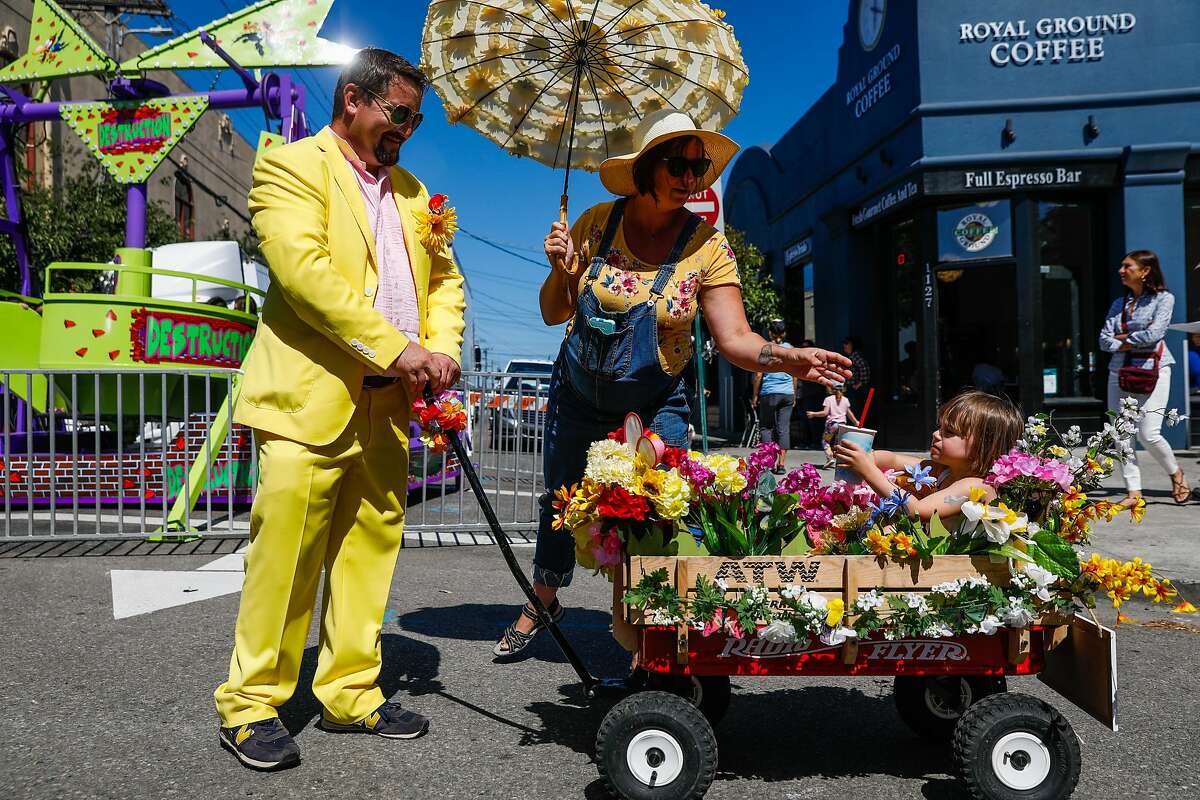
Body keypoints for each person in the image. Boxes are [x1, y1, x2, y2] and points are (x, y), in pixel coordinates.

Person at [493, 109, 853, 658]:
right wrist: (560, 269)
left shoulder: (707, 246)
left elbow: (734, 338)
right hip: (579, 392)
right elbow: (552, 312)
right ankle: (543, 601)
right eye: (679, 166)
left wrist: (788, 357)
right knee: (560, 503)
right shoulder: (594, 223)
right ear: (648, 168)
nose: (692, 178)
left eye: (700, 167)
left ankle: (655, 633)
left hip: (657, 396)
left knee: (664, 504)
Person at [214, 49, 466, 770]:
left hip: (387, 410)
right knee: (286, 560)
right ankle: (250, 704)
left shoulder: (419, 196)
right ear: (352, 100)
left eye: (417, 119)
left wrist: (441, 350)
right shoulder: (289, 166)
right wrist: (397, 349)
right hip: (307, 403)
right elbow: (305, 277)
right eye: (400, 113)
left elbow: (446, 284)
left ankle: (351, 692)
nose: (409, 130)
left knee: (368, 554)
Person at [834, 390, 1023, 522]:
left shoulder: (976, 486)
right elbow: (893, 460)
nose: (935, 434)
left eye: (949, 432)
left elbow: (917, 511)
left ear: (983, 446)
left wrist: (867, 470)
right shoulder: (943, 471)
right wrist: (867, 457)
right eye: (939, 427)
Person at [1099, 250, 1190, 506]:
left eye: (1127, 266)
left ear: (1145, 271)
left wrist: (1122, 341)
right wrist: (1129, 342)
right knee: (1119, 434)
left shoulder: (1164, 299)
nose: (1121, 270)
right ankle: (1134, 492)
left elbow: (1155, 334)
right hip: (1119, 371)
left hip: (1155, 369)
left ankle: (1176, 473)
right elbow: (1104, 341)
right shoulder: (1119, 304)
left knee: (1148, 433)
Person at [752, 319, 799, 474]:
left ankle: (767, 464)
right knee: (783, 428)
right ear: (784, 333)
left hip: (769, 393)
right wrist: (794, 394)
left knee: (766, 427)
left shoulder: (767, 349)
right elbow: (795, 375)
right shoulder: (791, 349)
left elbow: (759, 375)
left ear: (770, 332)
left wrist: (755, 396)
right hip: (787, 393)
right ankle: (781, 465)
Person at [808, 382, 859, 469]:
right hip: (842, 425)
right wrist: (855, 422)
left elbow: (825, 413)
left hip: (832, 425)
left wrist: (813, 414)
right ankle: (841, 462)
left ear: (831, 389)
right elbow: (849, 413)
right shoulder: (845, 400)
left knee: (825, 441)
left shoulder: (828, 399)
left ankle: (830, 458)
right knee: (838, 444)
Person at [843, 335, 871, 417]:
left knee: (856, 412)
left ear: (853, 345)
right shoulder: (853, 355)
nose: (844, 346)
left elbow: (864, 367)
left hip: (855, 390)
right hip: (852, 389)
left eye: (847, 343)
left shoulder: (855, 355)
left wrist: (860, 383)